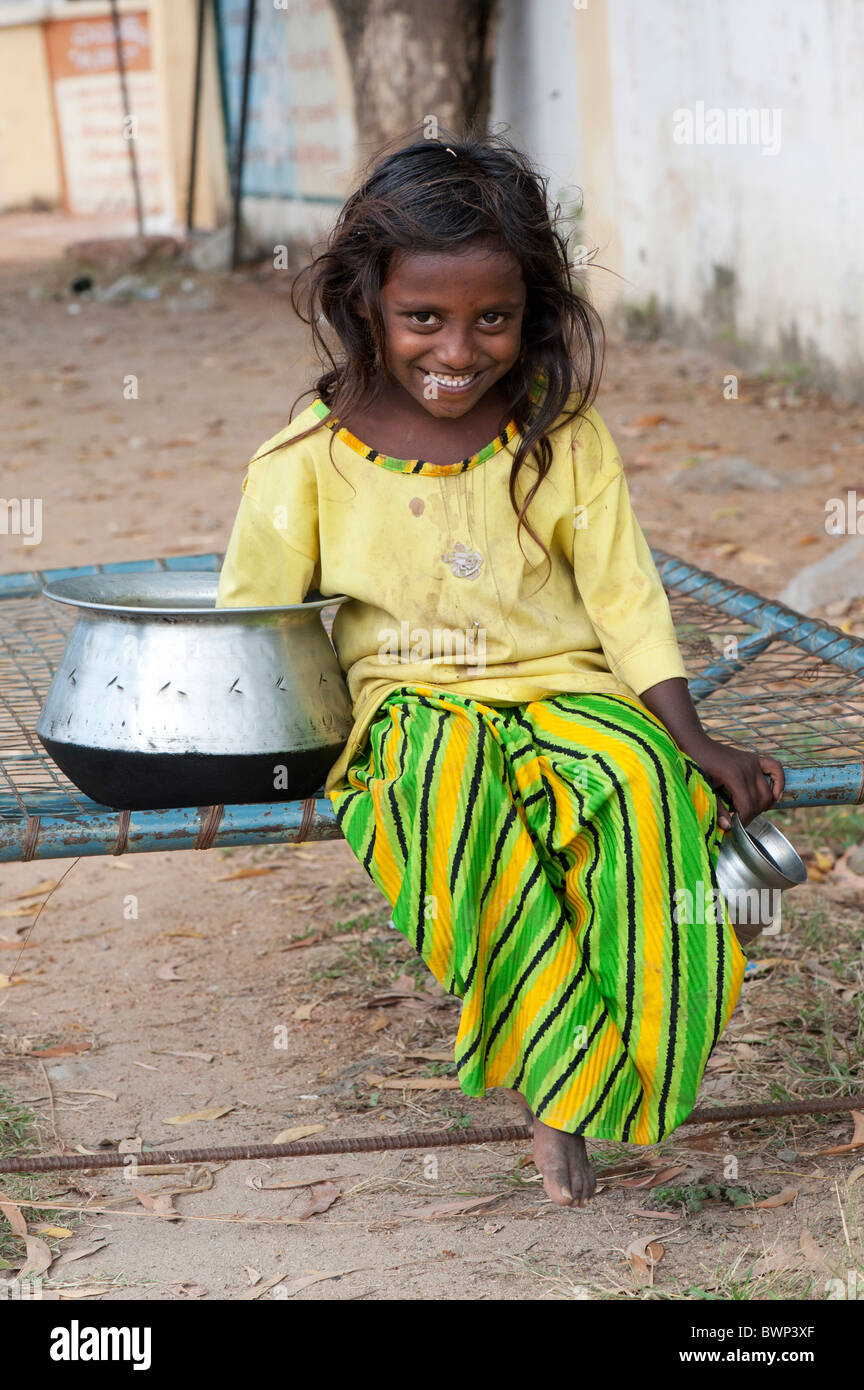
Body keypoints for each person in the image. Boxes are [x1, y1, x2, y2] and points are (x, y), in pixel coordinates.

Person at [215, 135, 785, 1208]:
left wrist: (687, 733)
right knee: (453, 793)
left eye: (494, 317)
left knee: (641, 789)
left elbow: (623, 596)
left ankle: (599, 1071)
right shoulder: (312, 451)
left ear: (534, 314)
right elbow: (259, 619)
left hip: (566, 687)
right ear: (366, 301)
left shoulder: (559, 435)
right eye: (423, 316)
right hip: (411, 703)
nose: (458, 348)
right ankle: (558, 1085)